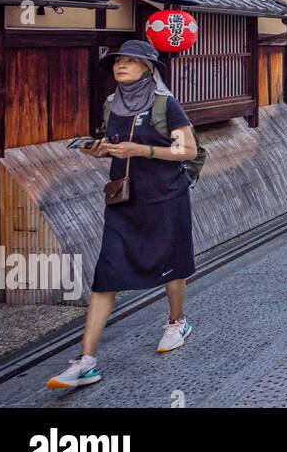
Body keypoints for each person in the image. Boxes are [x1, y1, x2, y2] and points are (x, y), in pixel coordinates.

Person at [47, 40, 200, 390]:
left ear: (149, 69)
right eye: (118, 61)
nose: (122, 66)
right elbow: (113, 146)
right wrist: (98, 151)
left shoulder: (166, 104)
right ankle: (86, 361)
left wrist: (142, 149)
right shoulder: (111, 105)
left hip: (166, 197)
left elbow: (187, 149)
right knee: (106, 274)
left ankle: (177, 321)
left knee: (172, 263)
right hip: (123, 198)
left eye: (132, 61)